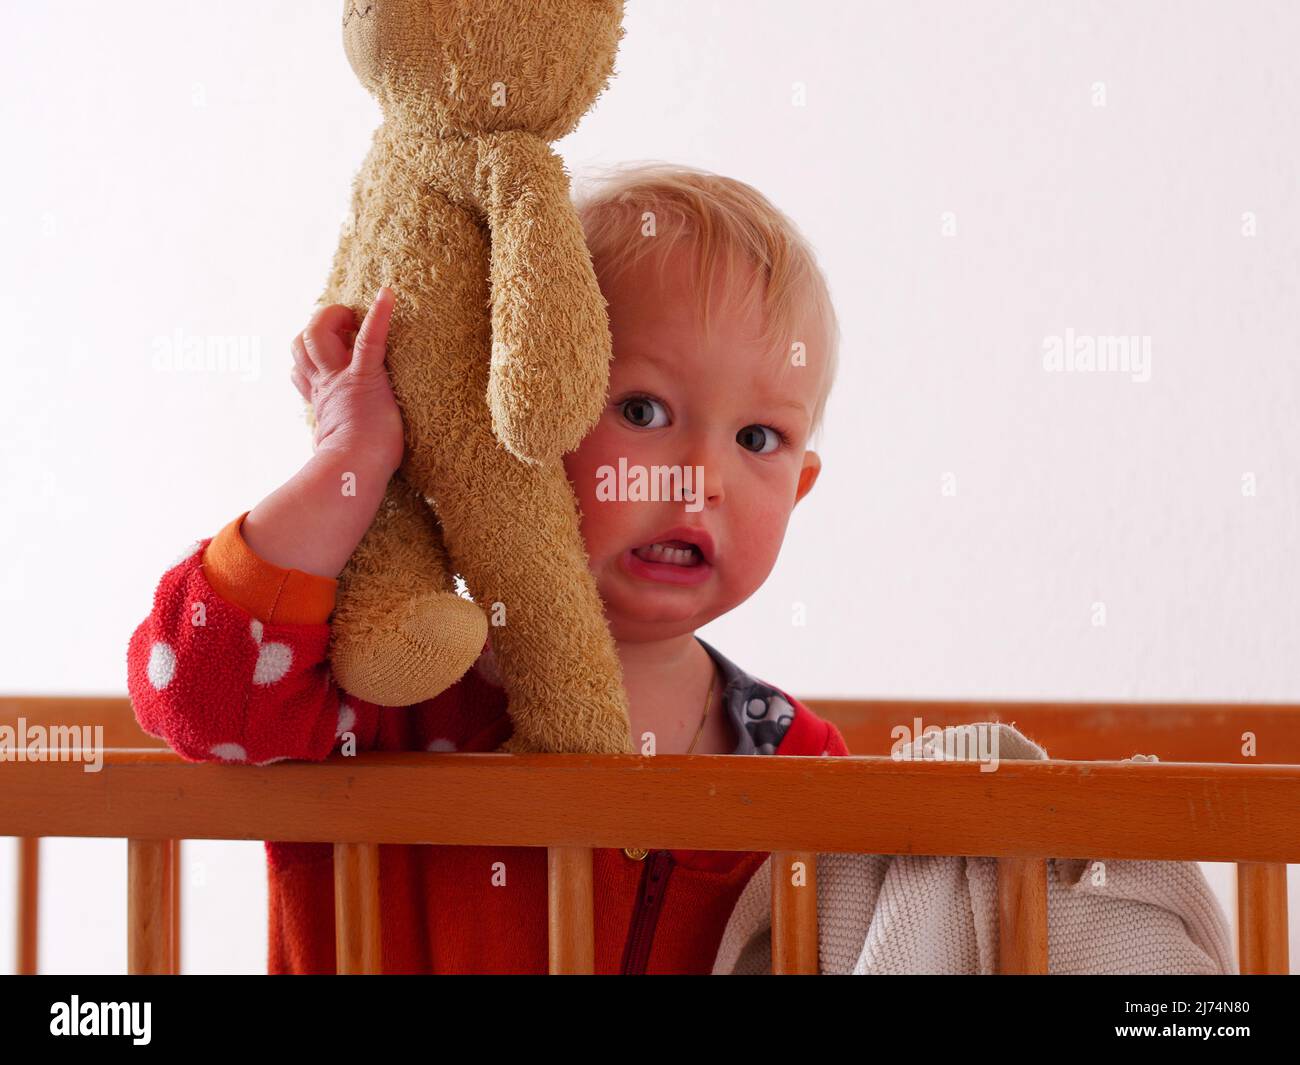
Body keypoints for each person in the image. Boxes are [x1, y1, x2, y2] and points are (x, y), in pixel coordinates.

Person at [127, 163, 849, 974]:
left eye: (757, 439)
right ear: (512, 410)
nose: (697, 479)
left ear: (801, 488)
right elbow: (198, 688)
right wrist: (352, 461)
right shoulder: (392, 690)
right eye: (642, 410)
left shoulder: (801, 766)